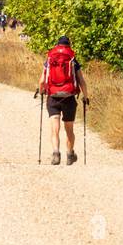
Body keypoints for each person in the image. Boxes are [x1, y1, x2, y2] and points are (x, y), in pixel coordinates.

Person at [38, 35, 89, 165]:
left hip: (53, 97)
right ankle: (70, 154)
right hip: (69, 97)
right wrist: (86, 96)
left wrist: (42, 90)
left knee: (55, 128)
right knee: (69, 129)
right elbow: (82, 81)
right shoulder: (72, 59)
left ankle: (56, 153)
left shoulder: (50, 59)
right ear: (69, 45)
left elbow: (42, 81)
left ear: (57, 45)